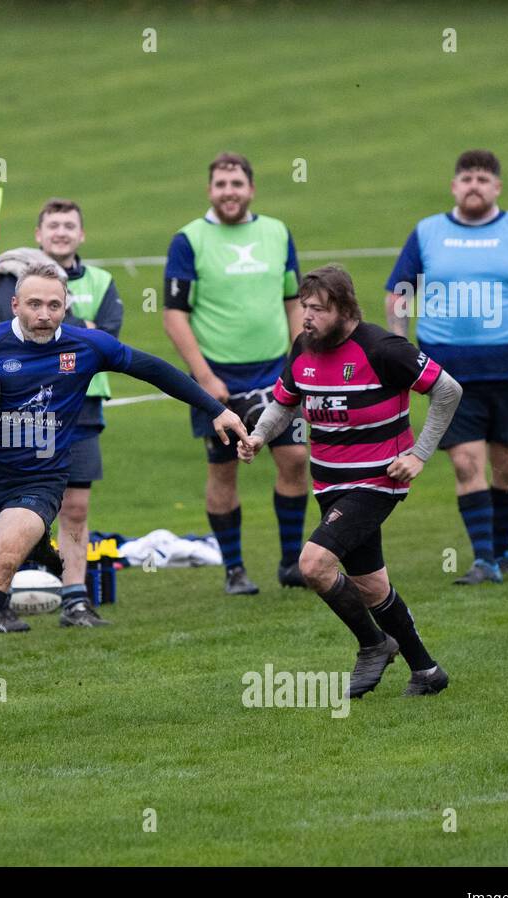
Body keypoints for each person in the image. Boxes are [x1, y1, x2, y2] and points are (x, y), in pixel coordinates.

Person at [0, 263, 248, 692]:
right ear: (14, 305)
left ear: (65, 305)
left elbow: (154, 369)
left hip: (41, 481)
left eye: (54, 304)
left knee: (4, 561)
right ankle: (42, 549)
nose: (44, 314)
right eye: (34, 304)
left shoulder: (86, 345)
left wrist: (216, 409)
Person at [240, 266, 464, 697]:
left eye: (318, 309)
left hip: (377, 481)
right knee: (371, 585)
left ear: (344, 310)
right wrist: (258, 436)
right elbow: (284, 402)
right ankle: (427, 671)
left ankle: (373, 644)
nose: (307, 317)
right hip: (329, 485)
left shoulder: (383, 348)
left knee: (314, 565)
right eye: (304, 307)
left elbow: (447, 390)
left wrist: (419, 454)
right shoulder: (305, 346)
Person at [385, 149, 508, 584]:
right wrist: (399, 345)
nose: (474, 185)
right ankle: (483, 560)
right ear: (454, 186)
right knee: (467, 464)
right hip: (449, 377)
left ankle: (502, 550)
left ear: (497, 187)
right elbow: (399, 290)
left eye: (483, 179)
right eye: (466, 178)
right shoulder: (428, 232)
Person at [163, 151, 309, 597]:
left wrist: (299, 360)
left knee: (295, 459)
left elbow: (293, 301)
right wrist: (204, 377)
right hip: (218, 379)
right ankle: (235, 570)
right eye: (221, 184)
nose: (229, 192)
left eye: (237, 184)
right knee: (224, 469)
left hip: (276, 373)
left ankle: (290, 562)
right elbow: (174, 316)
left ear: (251, 189)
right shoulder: (188, 240)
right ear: (210, 190)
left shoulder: (277, 232)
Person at [0, 199, 124, 628]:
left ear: (81, 235)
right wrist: (77, 329)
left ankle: (75, 599)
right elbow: (14, 332)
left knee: (77, 508)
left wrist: (72, 331)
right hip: (27, 405)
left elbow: (103, 342)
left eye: (70, 226)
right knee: (11, 503)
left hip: (82, 407)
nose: (62, 233)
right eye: (54, 226)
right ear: (39, 234)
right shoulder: (13, 276)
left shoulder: (103, 281)